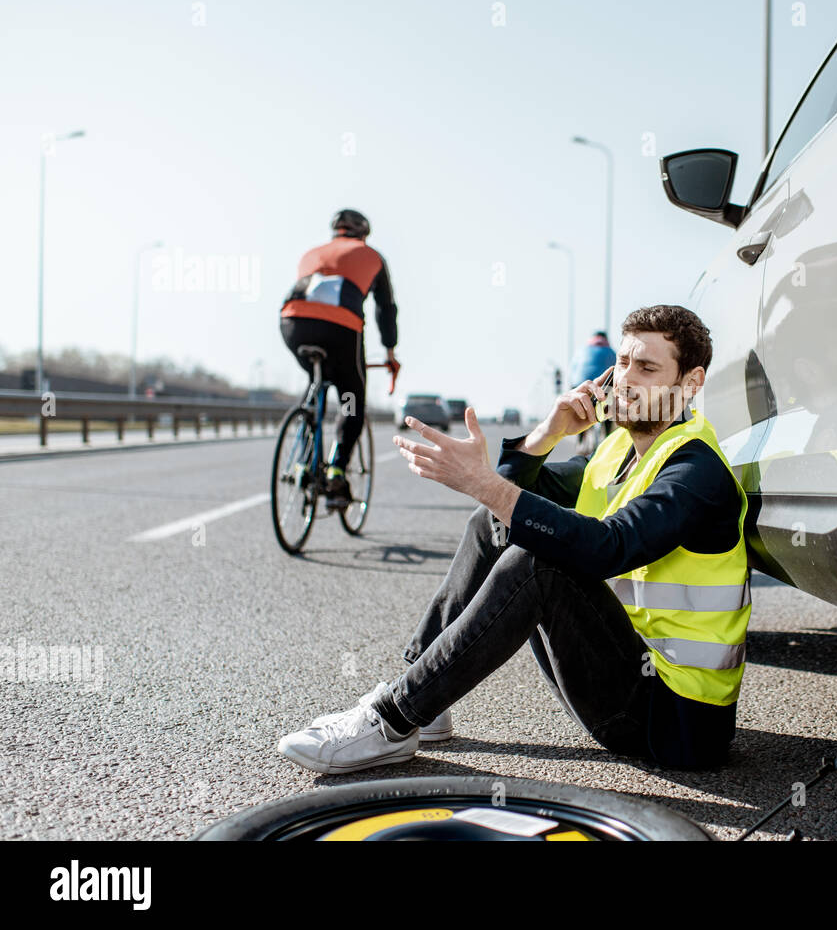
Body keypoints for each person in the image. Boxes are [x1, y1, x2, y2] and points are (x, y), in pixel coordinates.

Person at [277, 304, 752, 774]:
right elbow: (509, 504)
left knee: (536, 565)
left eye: (647, 368)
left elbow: (610, 547)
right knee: (498, 522)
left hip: (676, 722)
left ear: (690, 384)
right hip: (625, 681)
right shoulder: (616, 452)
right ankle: (424, 696)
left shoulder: (697, 471)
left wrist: (484, 482)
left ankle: (392, 720)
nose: (626, 379)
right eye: (622, 364)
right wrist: (548, 433)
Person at [280, 209, 399, 507]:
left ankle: (303, 457)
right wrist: (390, 351)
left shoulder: (312, 253)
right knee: (351, 397)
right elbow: (386, 309)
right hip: (341, 328)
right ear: (363, 234)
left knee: (317, 379)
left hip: (293, 324)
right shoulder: (371, 256)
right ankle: (336, 470)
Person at [570, 331, 617, 455]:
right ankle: (606, 437)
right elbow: (616, 371)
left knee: (581, 412)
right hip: (602, 385)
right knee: (607, 410)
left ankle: (580, 440)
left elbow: (572, 371)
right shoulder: (610, 351)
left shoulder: (581, 351)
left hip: (580, 383)